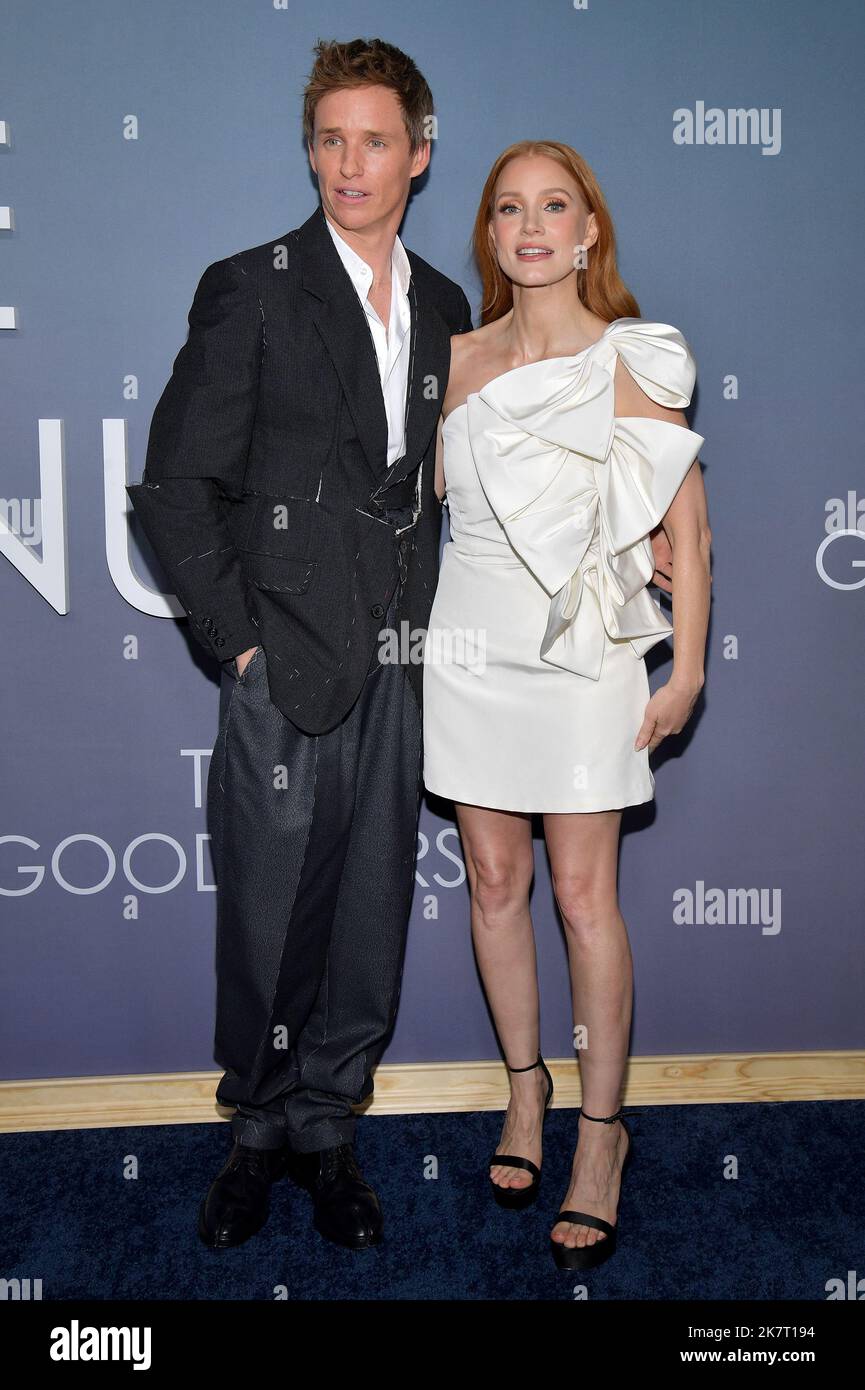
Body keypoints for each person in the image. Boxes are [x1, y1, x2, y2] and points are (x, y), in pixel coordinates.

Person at [126, 37, 471, 1251]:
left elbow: (454, 490)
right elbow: (173, 486)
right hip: (283, 661)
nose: (348, 163)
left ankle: (329, 1129)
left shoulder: (444, 308)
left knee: (370, 912)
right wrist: (239, 648)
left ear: (418, 155)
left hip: (399, 663)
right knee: (268, 915)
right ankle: (255, 1131)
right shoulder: (254, 284)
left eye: (374, 140)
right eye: (329, 138)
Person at [423, 140, 711, 1270]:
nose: (532, 226)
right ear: (489, 233)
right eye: (509, 209)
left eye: (555, 206)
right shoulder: (452, 359)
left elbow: (682, 522)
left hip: (584, 652)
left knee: (586, 899)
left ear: (589, 229)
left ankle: (601, 1137)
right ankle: (525, 1092)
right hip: (469, 644)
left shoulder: (631, 356)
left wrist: (683, 669)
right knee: (494, 883)